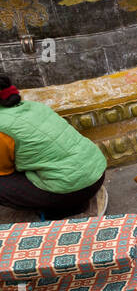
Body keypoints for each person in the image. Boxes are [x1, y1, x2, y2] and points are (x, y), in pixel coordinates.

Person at [0, 75, 106, 220]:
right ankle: (71, 204)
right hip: (96, 175)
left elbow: (4, 171)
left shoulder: (2, 127)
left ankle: (61, 211)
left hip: (73, 190)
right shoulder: (33, 106)